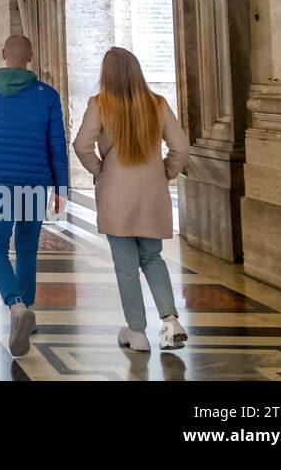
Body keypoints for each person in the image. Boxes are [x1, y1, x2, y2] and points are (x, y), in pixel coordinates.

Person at [73, 47, 190, 352]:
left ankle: (137, 331)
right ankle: (170, 320)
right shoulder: (158, 104)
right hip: (152, 191)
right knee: (152, 257)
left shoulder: (100, 105)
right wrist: (166, 172)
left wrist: (99, 171)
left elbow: (82, 144)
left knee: (126, 266)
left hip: (116, 193)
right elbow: (181, 147)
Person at [0, 35, 68, 358]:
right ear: (30, 57)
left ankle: (16, 305)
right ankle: (27, 312)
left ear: (4, 54)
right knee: (27, 248)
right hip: (35, 181)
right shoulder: (47, 95)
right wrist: (61, 187)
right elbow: (56, 145)